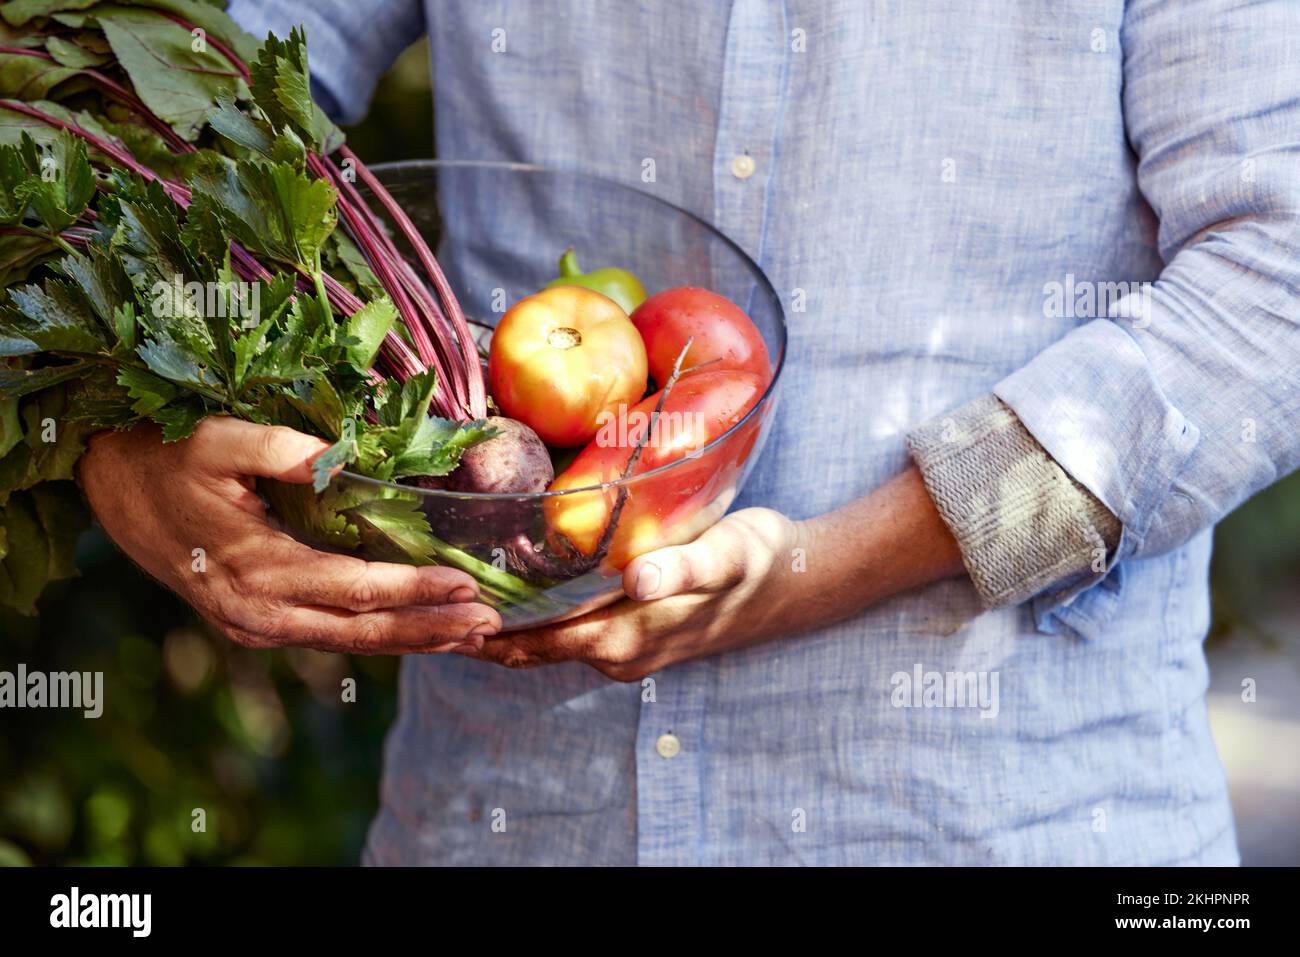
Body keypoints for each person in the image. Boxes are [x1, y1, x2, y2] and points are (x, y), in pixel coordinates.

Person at [78, 0, 1300, 864]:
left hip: (1003, 820)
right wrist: (121, 448)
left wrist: (835, 566)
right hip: (505, 809)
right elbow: (181, 95)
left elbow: (1276, 288)